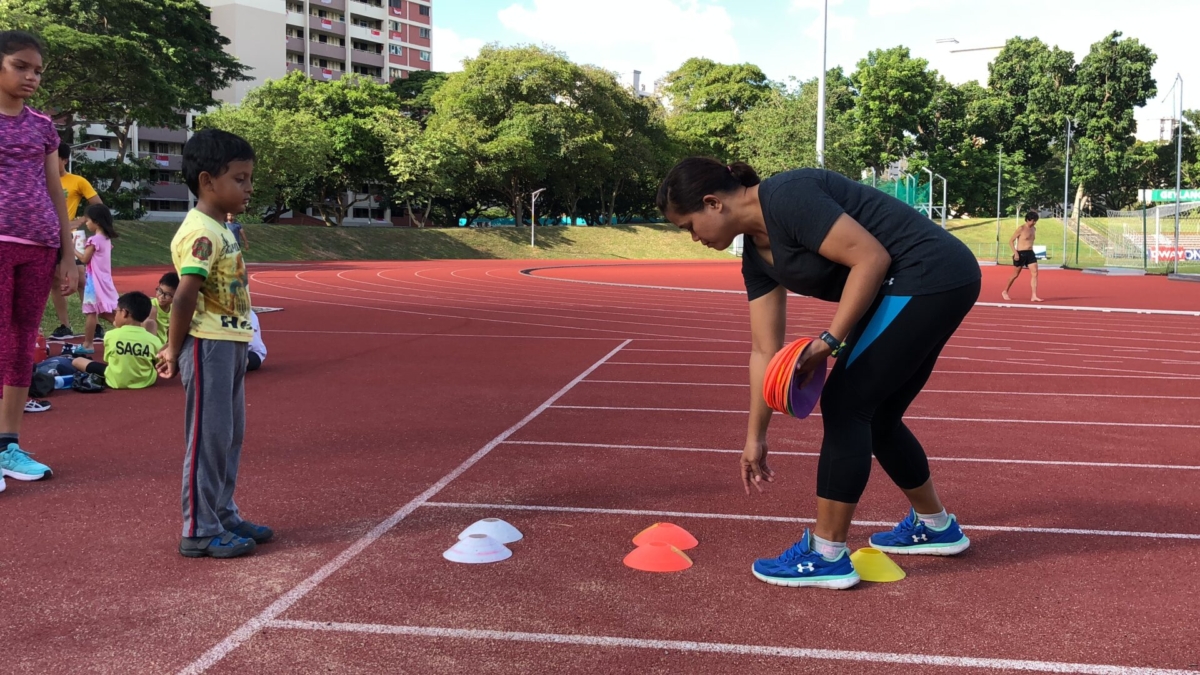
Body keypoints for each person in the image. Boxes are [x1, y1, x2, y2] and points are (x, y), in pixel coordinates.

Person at [657, 158, 981, 590]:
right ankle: (937, 526)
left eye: (689, 226)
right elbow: (764, 350)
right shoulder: (756, 256)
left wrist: (829, 340)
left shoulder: (789, 196)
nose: (694, 237)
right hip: (919, 281)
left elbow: (871, 257)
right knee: (877, 414)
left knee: (847, 405)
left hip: (928, 273)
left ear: (713, 203)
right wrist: (756, 436)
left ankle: (827, 552)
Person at [156, 128, 270, 559]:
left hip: (232, 341)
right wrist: (172, 347)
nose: (248, 187)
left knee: (229, 435)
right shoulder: (200, 232)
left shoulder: (220, 228)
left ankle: (222, 512)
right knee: (207, 438)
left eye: (249, 178)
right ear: (207, 181)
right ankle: (198, 528)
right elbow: (185, 294)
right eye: (239, 179)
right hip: (208, 345)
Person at [0, 30, 77, 489]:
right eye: (20, 66)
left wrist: (69, 255)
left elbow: (55, 192)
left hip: (40, 245)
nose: (31, 76)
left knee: (19, 342)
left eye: (37, 71)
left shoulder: (42, 125)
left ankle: (7, 445)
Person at [48, 141, 103, 340]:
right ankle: (65, 326)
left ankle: (95, 326)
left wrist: (81, 220)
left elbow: (98, 206)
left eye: (54, 158)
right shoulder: (42, 180)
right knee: (55, 281)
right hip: (49, 235)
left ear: (64, 160)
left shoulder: (78, 181)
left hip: (72, 236)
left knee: (81, 280)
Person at [71, 291, 162, 389]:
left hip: (115, 380)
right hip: (146, 381)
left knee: (77, 361)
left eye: (116, 311)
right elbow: (158, 363)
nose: (115, 315)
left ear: (124, 313)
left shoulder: (110, 335)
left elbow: (108, 361)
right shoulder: (154, 340)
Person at [76, 203, 119, 351]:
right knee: (105, 312)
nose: (86, 224)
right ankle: (127, 330)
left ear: (97, 222)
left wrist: (72, 247)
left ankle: (88, 344)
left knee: (91, 312)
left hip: (93, 282)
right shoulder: (106, 239)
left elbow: (84, 259)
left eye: (88, 221)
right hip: (104, 280)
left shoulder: (94, 240)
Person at [1003, 212, 1044, 302]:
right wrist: (1016, 253)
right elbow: (1011, 241)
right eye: (1033, 221)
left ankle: (1034, 295)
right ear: (1027, 220)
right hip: (1021, 253)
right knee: (1015, 275)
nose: (1034, 223)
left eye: (1035, 221)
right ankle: (1005, 291)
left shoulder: (1034, 229)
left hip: (1030, 253)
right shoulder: (1021, 229)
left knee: (1035, 273)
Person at [144, 271, 178, 346]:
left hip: (163, 347)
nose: (161, 296)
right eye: (160, 291)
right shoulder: (151, 307)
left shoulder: (174, 309)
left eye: (167, 295)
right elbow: (148, 334)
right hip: (152, 346)